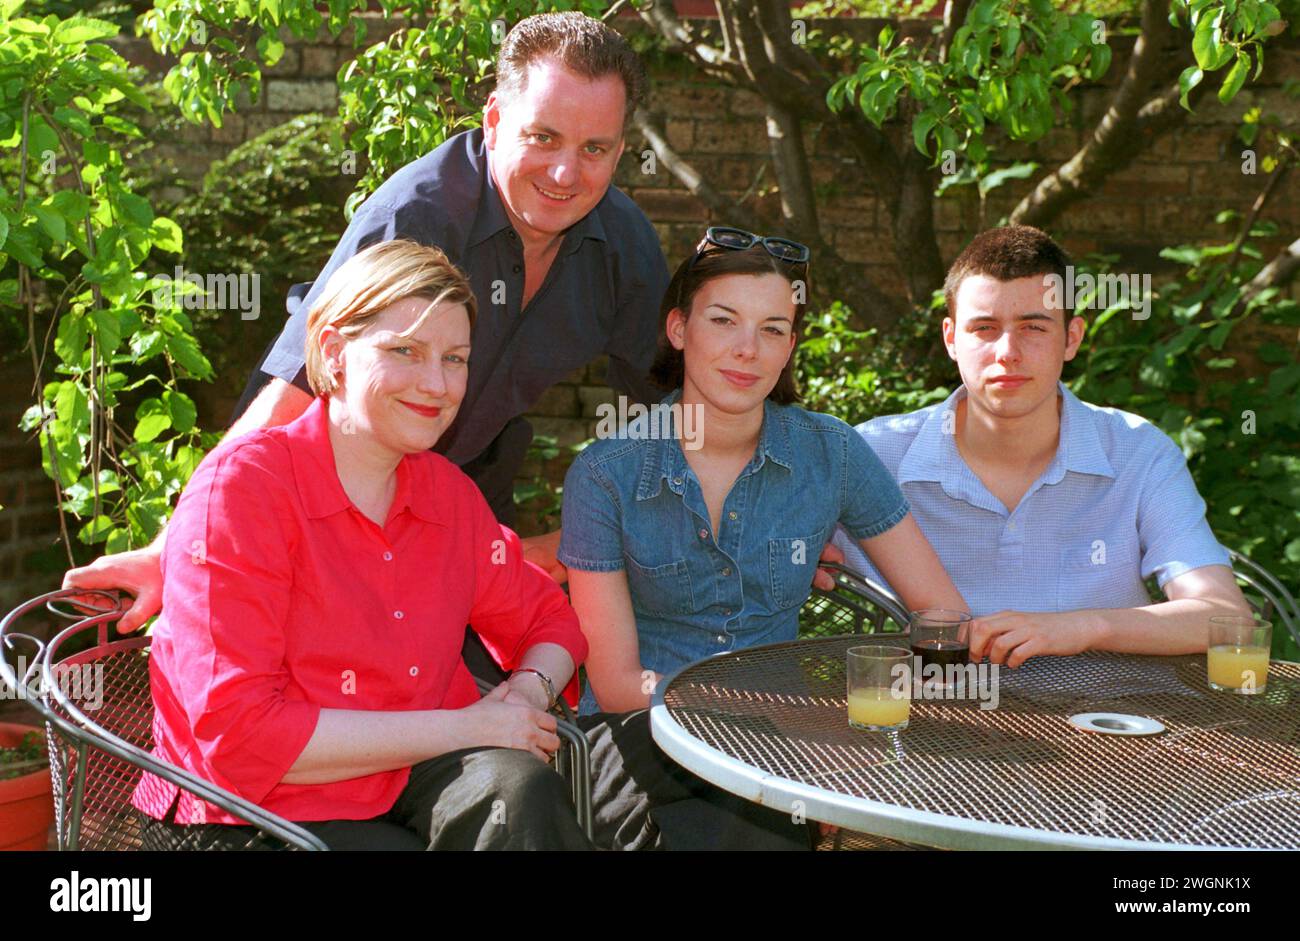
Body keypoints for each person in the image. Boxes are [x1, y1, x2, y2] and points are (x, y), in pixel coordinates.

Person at [63, 11, 667, 631]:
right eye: (543, 137)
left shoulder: (624, 248)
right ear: (492, 121)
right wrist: (173, 548)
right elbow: (294, 394)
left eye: (594, 148)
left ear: (620, 150)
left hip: (472, 510)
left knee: (495, 707)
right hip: (338, 516)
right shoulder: (414, 219)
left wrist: (576, 540)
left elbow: (680, 410)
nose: (566, 173)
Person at [133, 240, 592, 850]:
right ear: (333, 351)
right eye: (405, 351)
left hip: (407, 775)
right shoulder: (242, 491)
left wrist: (528, 690)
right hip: (250, 809)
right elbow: (241, 739)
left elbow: (550, 620)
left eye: (455, 359)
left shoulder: (446, 494)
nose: (437, 385)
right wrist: (466, 727)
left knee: (522, 790)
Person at [558, 227, 969, 716]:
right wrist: (780, 712)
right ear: (678, 329)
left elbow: (942, 618)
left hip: (784, 750)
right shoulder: (606, 475)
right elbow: (618, 687)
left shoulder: (830, 452)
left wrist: (883, 692)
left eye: (772, 328)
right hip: (645, 733)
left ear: (790, 346)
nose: (747, 349)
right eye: (723, 321)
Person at [833, 224, 1251, 669]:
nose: (1007, 352)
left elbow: (1226, 618)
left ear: (1071, 338)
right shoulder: (872, 455)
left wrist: (1083, 626)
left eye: (1033, 327)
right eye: (985, 328)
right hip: (939, 720)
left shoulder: (1138, 452)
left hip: (1117, 718)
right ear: (951, 339)